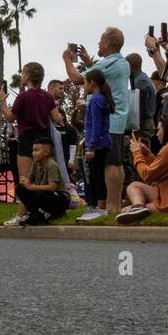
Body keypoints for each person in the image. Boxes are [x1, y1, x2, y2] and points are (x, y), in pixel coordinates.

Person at [63, 29, 130, 219]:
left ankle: (109, 206)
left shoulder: (108, 62)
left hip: (107, 123)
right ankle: (115, 204)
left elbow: (78, 79)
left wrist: (67, 59)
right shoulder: (121, 62)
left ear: (108, 43)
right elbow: (101, 78)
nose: (98, 43)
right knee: (117, 163)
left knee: (108, 165)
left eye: (101, 40)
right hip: (119, 120)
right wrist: (89, 64)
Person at [120, 112, 168, 224]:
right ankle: (138, 208)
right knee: (134, 187)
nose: (157, 134)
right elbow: (162, 169)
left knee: (125, 207)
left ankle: (138, 208)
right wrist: (147, 154)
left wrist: (136, 153)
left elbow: (148, 175)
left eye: (159, 130)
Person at [11, 137, 70, 226]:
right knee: (20, 188)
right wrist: (25, 182)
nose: (33, 153)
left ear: (46, 152)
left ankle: (59, 213)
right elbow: (28, 181)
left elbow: (53, 187)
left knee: (41, 193)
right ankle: (36, 215)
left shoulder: (51, 164)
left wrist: (32, 187)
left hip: (59, 198)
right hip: (44, 193)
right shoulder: (36, 163)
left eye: (36, 150)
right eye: (33, 150)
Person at [80, 69, 114, 217]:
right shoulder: (101, 99)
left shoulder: (95, 100)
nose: (83, 86)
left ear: (92, 83)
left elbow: (96, 125)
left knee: (96, 176)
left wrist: (91, 146)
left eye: (85, 83)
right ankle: (95, 206)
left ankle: (99, 208)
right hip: (102, 142)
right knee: (96, 175)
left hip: (97, 144)